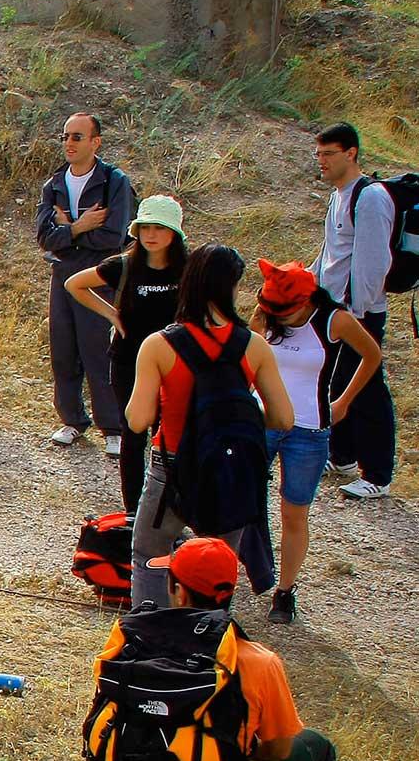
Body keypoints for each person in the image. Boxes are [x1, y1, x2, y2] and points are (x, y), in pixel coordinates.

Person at [125, 243, 295, 608]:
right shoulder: (254, 346)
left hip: (170, 468)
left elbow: (137, 420)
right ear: (232, 287)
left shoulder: (159, 345)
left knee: (149, 557)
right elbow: (284, 418)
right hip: (229, 468)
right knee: (217, 565)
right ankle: (207, 640)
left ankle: (150, 638)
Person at [137, 538, 337, 761]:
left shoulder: (135, 641)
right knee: (318, 745)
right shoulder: (260, 662)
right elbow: (278, 748)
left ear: (179, 593)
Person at [250, 259, 382, 624]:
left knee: (294, 511)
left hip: (309, 430)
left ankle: (284, 591)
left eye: (286, 310)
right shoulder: (266, 313)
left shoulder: (334, 319)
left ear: (307, 301)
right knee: (242, 499)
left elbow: (372, 354)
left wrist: (344, 402)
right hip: (262, 420)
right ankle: (240, 571)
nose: (279, 316)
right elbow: (248, 355)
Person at [67, 193, 188, 512]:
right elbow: (74, 284)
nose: (150, 235)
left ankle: (168, 511)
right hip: (128, 361)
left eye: (159, 228)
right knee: (133, 436)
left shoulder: (189, 268)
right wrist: (110, 313)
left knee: (170, 438)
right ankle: (134, 513)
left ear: (174, 233)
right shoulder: (123, 265)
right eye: (145, 227)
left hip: (175, 365)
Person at [38, 113, 138, 454]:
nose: (69, 142)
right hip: (63, 274)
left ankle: (112, 428)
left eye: (77, 137)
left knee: (98, 350)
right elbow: (44, 237)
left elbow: (114, 236)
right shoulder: (53, 184)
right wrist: (80, 228)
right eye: (66, 136)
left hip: (99, 274)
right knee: (63, 349)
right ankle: (72, 420)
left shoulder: (114, 182)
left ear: (96, 142)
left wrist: (66, 231)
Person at [311, 122, 398, 500]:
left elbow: (374, 261)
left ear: (351, 153)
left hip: (359, 312)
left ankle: (378, 474)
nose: (322, 162)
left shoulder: (371, 197)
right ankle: (343, 455)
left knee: (367, 388)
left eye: (329, 154)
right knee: (334, 381)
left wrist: (358, 310)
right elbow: (332, 251)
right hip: (334, 309)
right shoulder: (338, 195)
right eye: (319, 154)